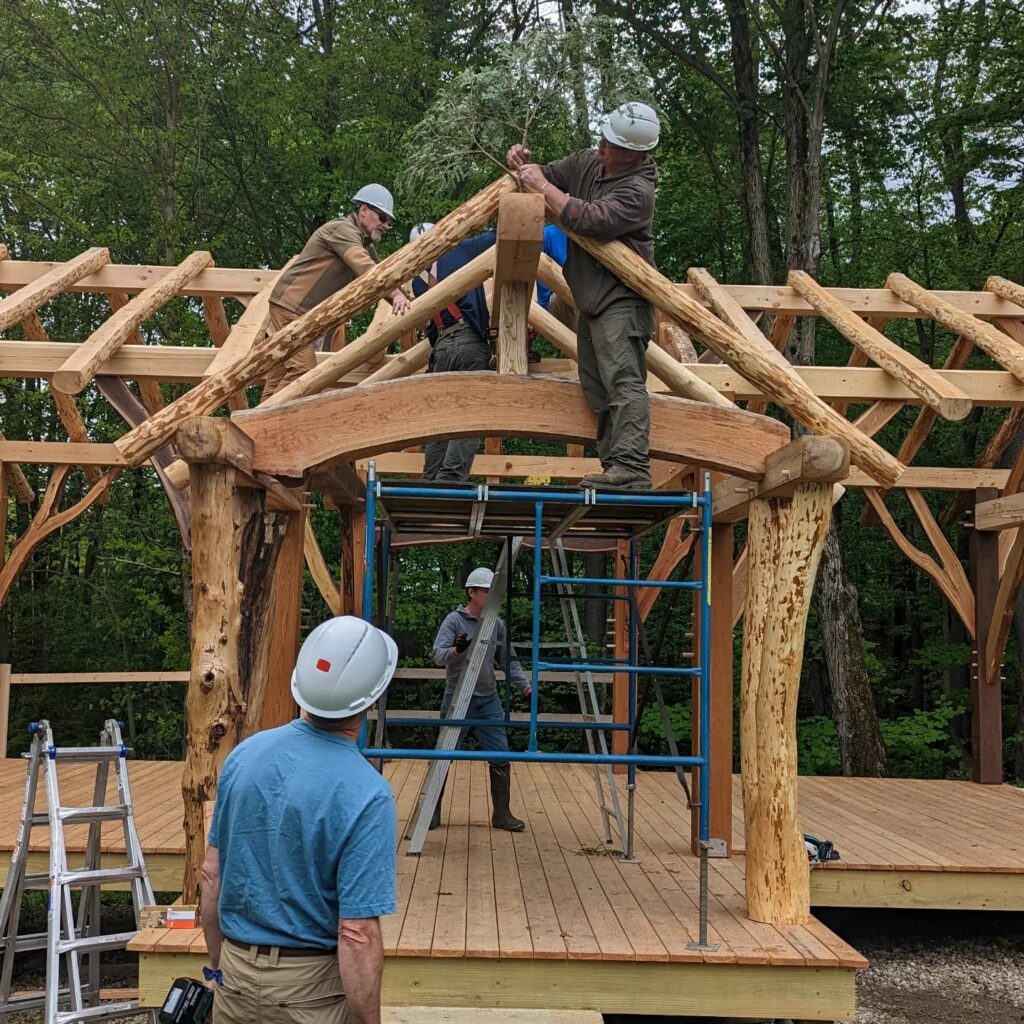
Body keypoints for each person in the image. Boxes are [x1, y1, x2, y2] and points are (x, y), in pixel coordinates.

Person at [200, 616, 399, 1024]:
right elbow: (357, 933)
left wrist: (222, 971)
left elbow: (210, 877)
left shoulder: (244, 756)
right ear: (373, 696)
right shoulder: (366, 792)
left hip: (235, 977)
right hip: (312, 995)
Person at [507, 101, 660, 491]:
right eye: (603, 137)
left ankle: (632, 469)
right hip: (591, 302)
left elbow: (590, 219)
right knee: (598, 387)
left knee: (623, 382)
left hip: (622, 302)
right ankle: (615, 468)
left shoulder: (637, 192)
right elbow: (550, 174)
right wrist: (526, 164)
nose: (601, 146)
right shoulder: (590, 162)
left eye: (610, 143)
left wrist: (541, 186)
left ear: (632, 154)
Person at [264, 184, 411, 397]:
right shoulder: (343, 230)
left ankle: (254, 424)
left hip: (299, 311)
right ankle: (268, 423)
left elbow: (379, 280)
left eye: (388, 220)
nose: (386, 225)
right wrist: (397, 295)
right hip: (291, 308)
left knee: (280, 373)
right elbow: (367, 269)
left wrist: (403, 299)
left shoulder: (364, 244)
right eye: (382, 217)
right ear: (364, 211)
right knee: (303, 369)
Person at [431, 566, 532, 832]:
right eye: (485, 591)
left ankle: (502, 814)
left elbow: (508, 661)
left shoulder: (496, 624)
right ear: (471, 592)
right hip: (458, 696)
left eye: (492, 591)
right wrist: (455, 650)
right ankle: (431, 811)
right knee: (443, 754)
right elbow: (437, 654)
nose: (489, 595)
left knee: (500, 754)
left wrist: (526, 687)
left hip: (488, 699)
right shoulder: (454, 621)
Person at [409, 222, 497, 482]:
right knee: (470, 416)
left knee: (442, 421)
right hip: (468, 343)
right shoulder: (460, 250)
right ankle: (449, 480)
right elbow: (498, 235)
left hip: (441, 351)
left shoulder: (416, 282)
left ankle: (431, 479)